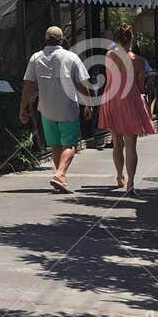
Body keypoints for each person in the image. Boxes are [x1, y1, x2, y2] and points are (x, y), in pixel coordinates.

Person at [20, 25, 93, 194]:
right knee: (70, 144)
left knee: (55, 145)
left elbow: (28, 85)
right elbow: (82, 85)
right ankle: (60, 173)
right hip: (67, 108)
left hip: (46, 109)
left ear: (45, 39)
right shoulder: (71, 57)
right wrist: (89, 103)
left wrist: (22, 107)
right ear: (62, 39)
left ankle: (61, 176)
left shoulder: (36, 58)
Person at [98, 23, 155, 196]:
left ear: (117, 39)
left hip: (112, 98)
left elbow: (109, 78)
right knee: (131, 145)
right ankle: (131, 182)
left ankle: (119, 176)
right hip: (131, 100)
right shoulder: (138, 61)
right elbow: (141, 86)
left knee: (117, 142)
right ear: (132, 39)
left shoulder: (109, 55)